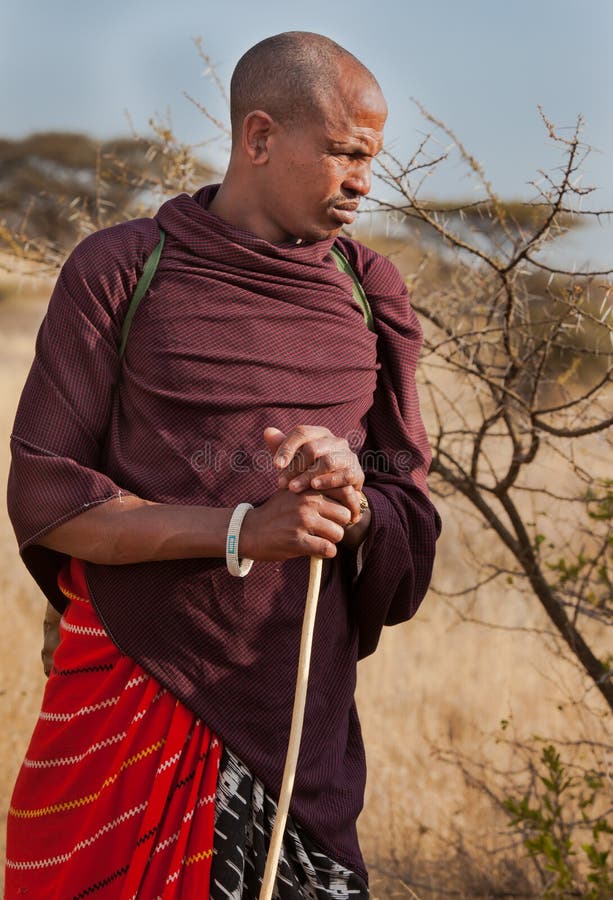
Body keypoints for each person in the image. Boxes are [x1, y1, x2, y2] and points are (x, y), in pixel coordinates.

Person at [5, 31, 440, 899]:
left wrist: (350, 501)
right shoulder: (123, 269)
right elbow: (49, 495)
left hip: (289, 716)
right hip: (131, 688)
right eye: (344, 154)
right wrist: (244, 530)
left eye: (371, 159)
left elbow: (404, 498)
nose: (363, 181)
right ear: (260, 137)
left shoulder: (370, 292)